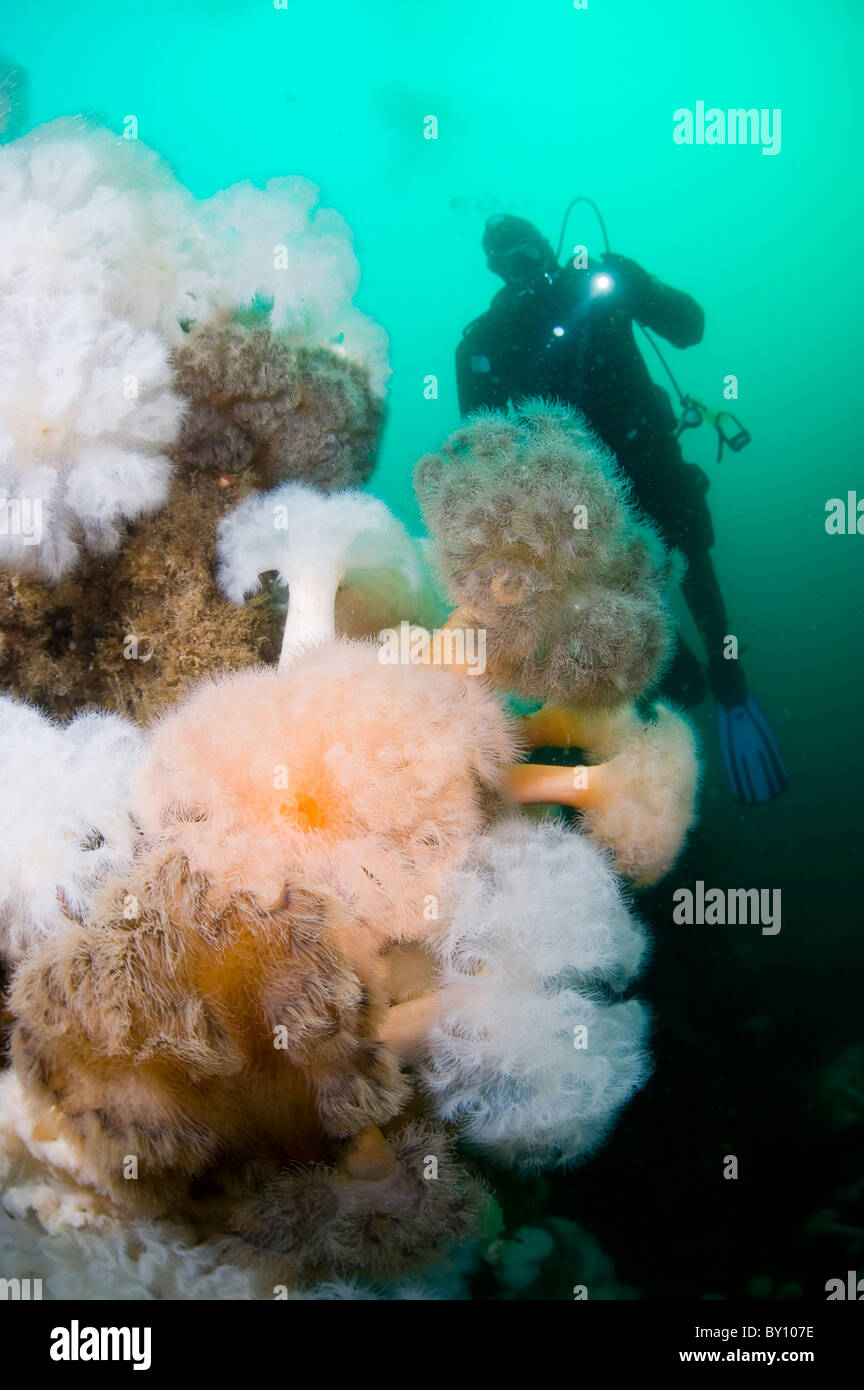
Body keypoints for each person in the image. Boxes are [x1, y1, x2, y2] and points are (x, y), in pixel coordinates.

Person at [455, 214, 786, 805]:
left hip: (650, 461)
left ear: (547, 245)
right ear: (494, 270)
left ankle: (727, 675)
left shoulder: (601, 283)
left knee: (691, 560)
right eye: (507, 261)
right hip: (578, 500)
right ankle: (676, 693)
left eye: (527, 251)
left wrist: (632, 283)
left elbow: (690, 327)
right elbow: (482, 445)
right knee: (639, 603)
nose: (522, 267)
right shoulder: (486, 339)